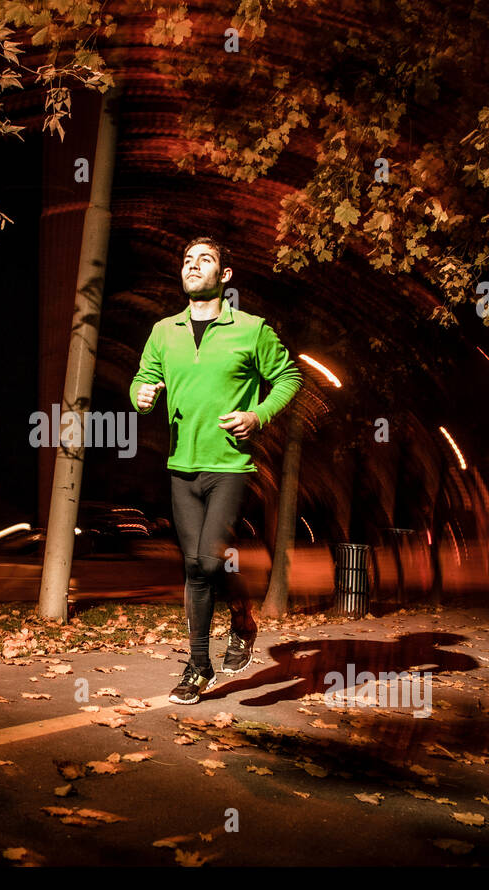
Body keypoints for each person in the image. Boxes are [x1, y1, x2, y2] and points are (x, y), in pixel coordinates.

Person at [129, 237, 302, 704]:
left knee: (207, 559)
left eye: (204, 260)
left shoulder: (251, 329)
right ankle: (199, 664)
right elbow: (144, 377)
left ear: (225, 276)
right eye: (187, 260)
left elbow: (289, 377)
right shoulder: (164, 331)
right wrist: (140, 396)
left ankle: (239, 622)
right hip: (181, 466)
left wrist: (258, 415)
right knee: (194, 566)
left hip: (229, 465)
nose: (193, 266)